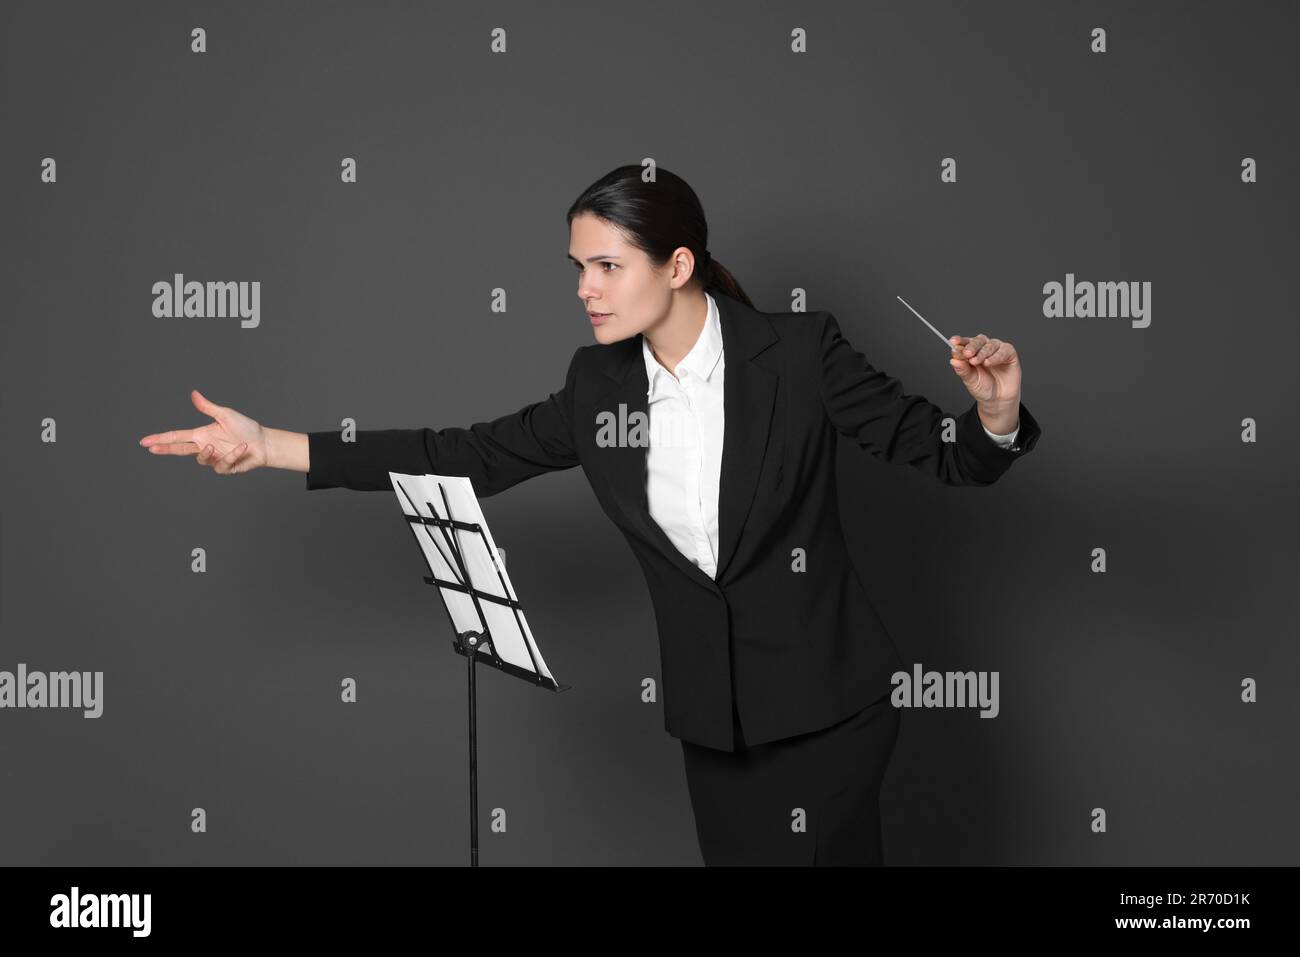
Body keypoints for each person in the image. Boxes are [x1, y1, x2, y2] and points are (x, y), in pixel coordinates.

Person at [139, 164, 1041, 865]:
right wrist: (273, 445)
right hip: (715, 724)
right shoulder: (597, 384)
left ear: (677, 265)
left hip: (831, 710)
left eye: (607, 265)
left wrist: (995, 411)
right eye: (579, 268)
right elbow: (469, 453)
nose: (586, 288)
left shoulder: (800, 354)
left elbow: (946, 453)